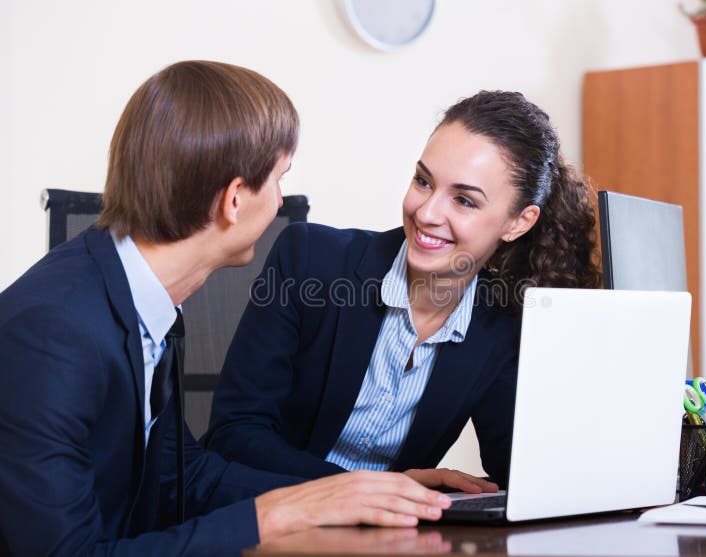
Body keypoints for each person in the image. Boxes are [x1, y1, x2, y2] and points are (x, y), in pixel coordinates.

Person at [0, 60, 453, 557]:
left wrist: (341, 494)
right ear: (235, 199)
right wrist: (272, 516)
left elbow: (183, 474)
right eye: (279, 179)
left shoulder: (145, 301)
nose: (281, 201)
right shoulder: (52, 335)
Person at [205, 90, 602, 489]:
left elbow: (518, 469)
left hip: (386, 534)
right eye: (423, 181)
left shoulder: (499, 325)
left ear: (518, 222)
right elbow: (235, 436)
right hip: (263, 517)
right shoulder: (310, 260)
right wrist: (374, 490)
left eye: (463, 200)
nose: (427, 213)